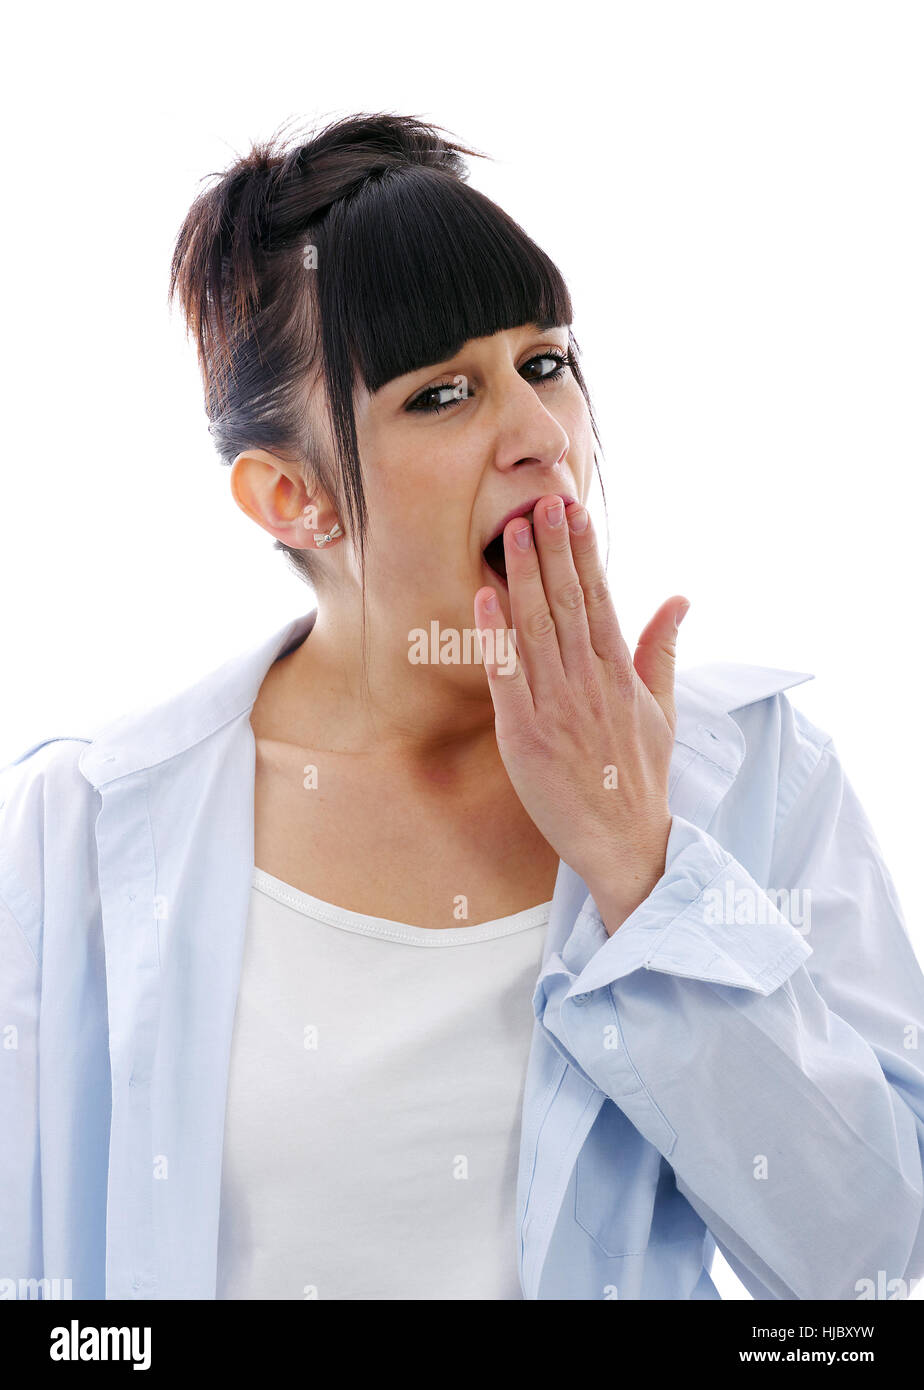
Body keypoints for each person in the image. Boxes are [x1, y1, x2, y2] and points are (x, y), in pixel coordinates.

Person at [1, 111, 923, 1302]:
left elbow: (867, 1251)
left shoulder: (750, 771)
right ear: (290, 497)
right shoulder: (74, 828)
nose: (543, 436)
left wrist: (641, 867)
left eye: (545, 364)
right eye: (442, 394)